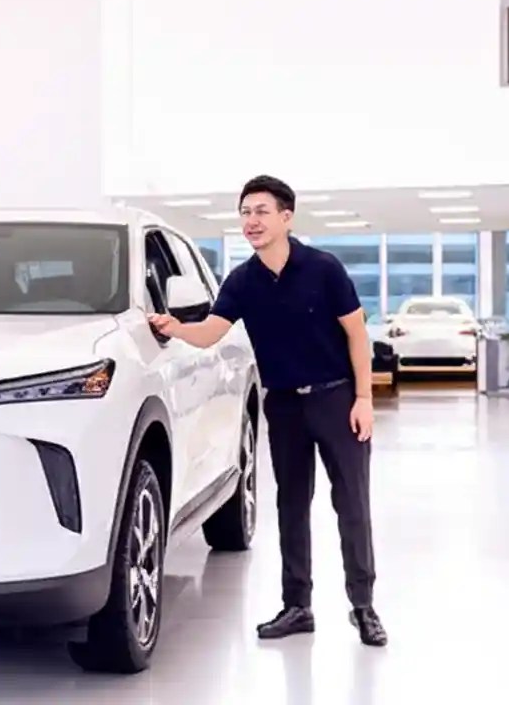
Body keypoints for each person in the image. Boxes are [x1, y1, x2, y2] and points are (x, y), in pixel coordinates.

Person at [148, 175, 388, 647]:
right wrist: (172, 326)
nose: (251, 221)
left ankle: (364, 607)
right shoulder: (242, 281)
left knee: (352, 505)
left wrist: (364, 398)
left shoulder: (324, 268)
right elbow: (211, 332)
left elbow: (357, 335)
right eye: (244, 213)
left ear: (286, 217)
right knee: (291, 505)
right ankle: (297, 606)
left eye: (261, 211)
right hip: (283, 406)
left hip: (337, 399)